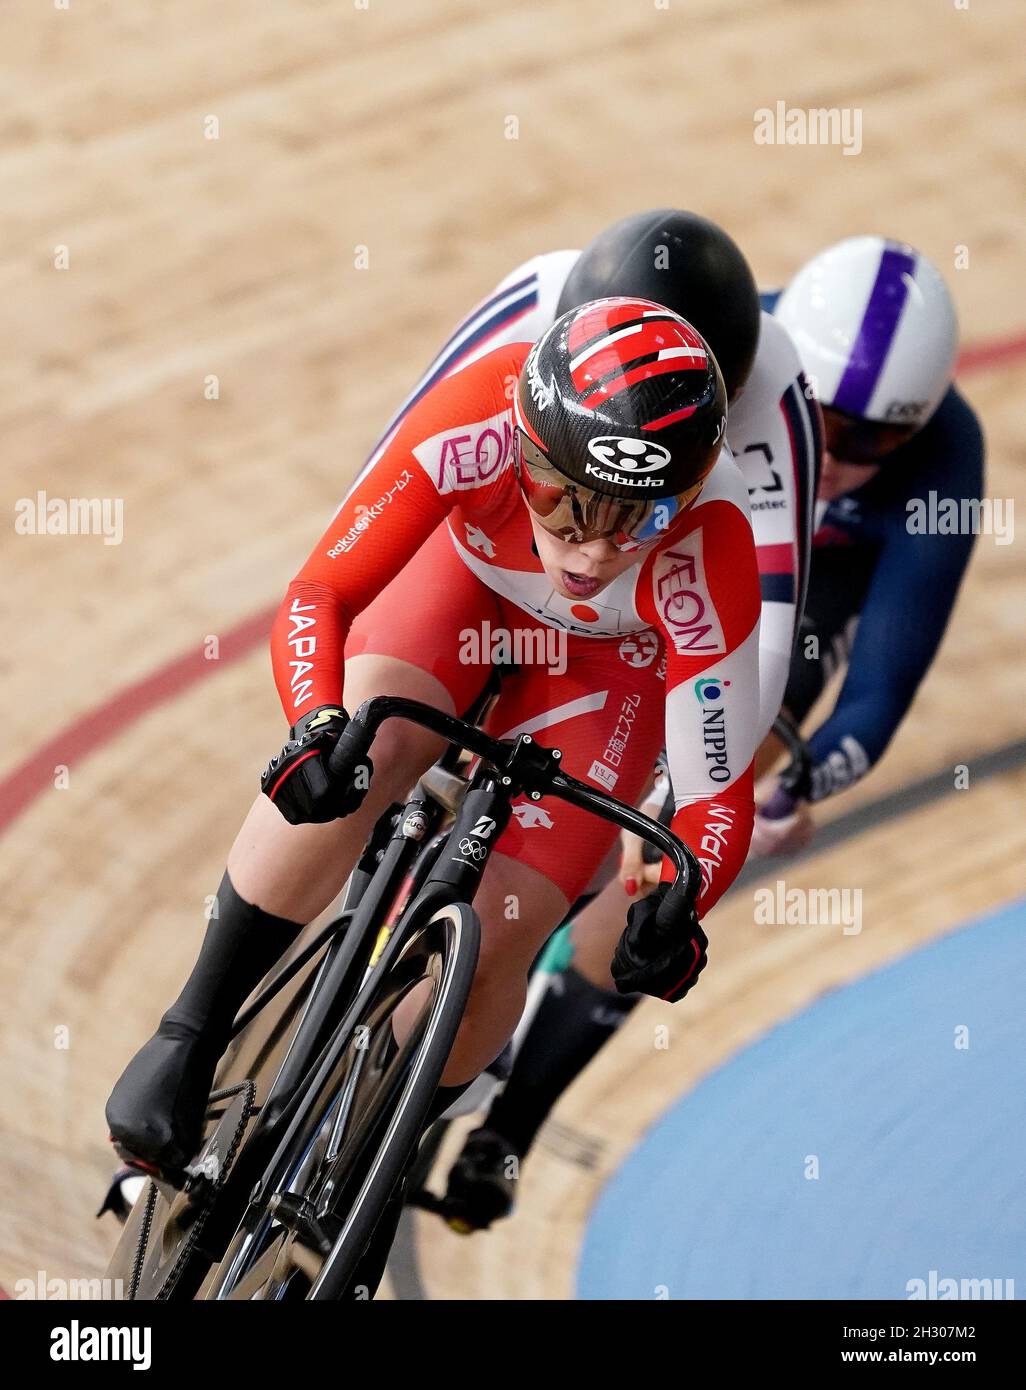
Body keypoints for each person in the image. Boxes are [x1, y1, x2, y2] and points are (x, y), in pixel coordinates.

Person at [104, 295, 764, 1254]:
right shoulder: (478, 419)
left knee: (510, 925)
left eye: (636, 523)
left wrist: (682, 903)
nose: (590, 553)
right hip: (462, 590)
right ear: (527, 450)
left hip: (604, 670)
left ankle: (388, 1150)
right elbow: (318, 593)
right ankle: (189, 1031)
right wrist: (313, 725)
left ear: (688, 493)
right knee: (359, 752)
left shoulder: (713, 540)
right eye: (568, 506)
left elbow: (715, 788)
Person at [444, 234, 983, 1231]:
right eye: (834, 426)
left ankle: (509, 1126)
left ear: (922, 425)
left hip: (794, 619)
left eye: (880, 444)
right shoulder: (728, 353)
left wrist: (798, 780)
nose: (849, 459)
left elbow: (884, 682)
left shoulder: (950, 456)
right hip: (655, 553)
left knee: (657, 870)